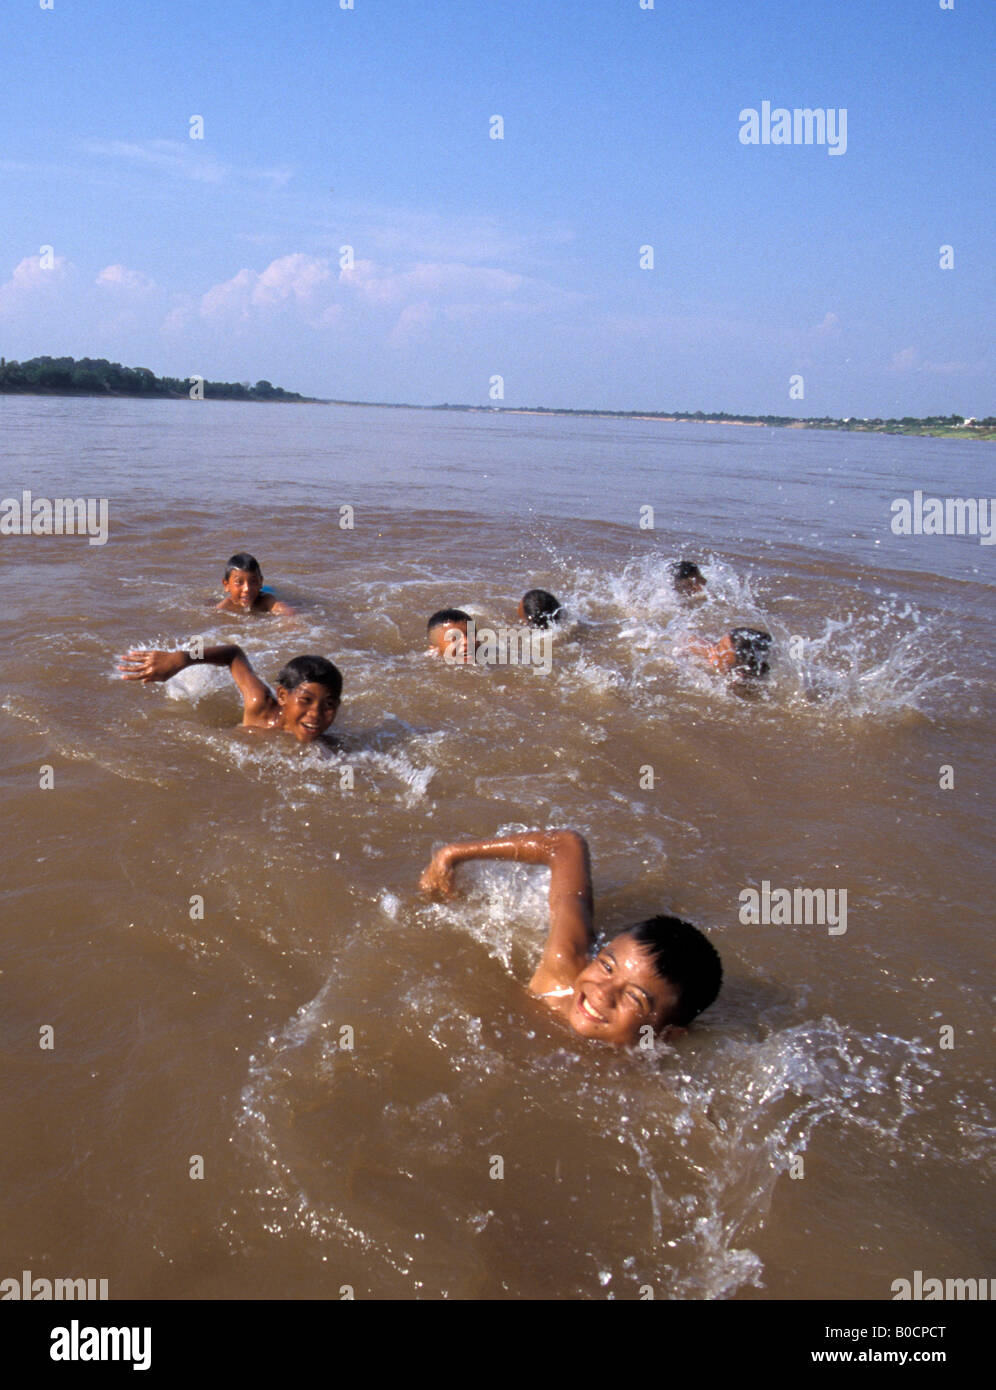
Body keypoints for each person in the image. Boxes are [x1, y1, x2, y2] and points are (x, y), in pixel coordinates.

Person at [418, 829, 721, 1046]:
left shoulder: (644, 1078)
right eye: (606, 966)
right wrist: (450, 855)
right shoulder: (561, 970)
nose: (602, 992)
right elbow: (566, 845)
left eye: (634, 997)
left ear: (666, 1035)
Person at [118, 645, 340, 743]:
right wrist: (181, 659)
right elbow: (234, 654)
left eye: (328, 705)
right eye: (306, 701)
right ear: (282, 696)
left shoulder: (327, 746)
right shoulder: (260, 705)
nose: (316, 714)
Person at [216, 552, 295, 615]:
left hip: (269, 590)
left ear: (260, 582)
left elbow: (287, 611)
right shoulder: (226, 606)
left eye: (253, 581)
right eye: (239, 582)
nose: (247, 588)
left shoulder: (265, 600)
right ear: (226, 585)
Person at [681, 627, 773, 680]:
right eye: (717, 645)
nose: (712, 651)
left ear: (738, 674)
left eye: (718, 651)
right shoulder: (707, 651)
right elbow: (686, 639)